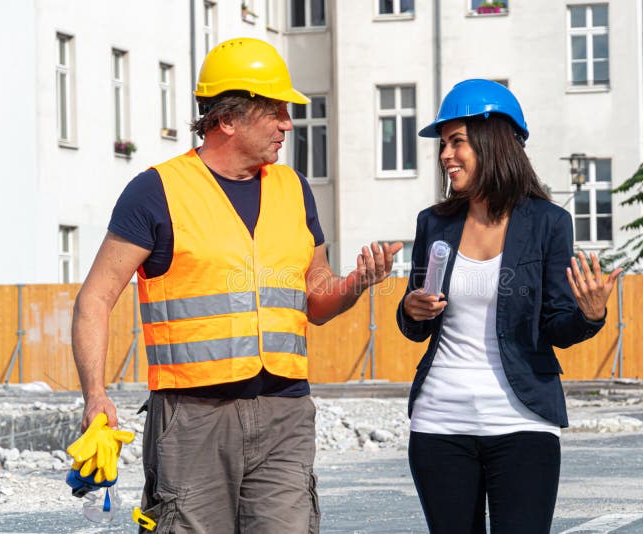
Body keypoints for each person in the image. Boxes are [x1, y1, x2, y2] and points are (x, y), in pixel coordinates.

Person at [72, 37, 401, 533]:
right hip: (193, 418)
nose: (288, 124)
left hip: (285, 413)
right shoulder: (157, 191)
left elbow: (316, 298)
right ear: (227, 119)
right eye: (275, 111)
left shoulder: (294, 189)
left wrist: (356, 282)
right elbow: (95, 298)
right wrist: (95, 394)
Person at [396, 79, 621, 533]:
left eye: (457, 142)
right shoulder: (433, 223)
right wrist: (410, 310)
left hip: (523, 422)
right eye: (443, 144)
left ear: (493, 142)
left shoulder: (549, 223)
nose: (445, 155)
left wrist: (590, 315)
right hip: (440, 423)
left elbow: (557, 326)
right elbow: (417, 323)